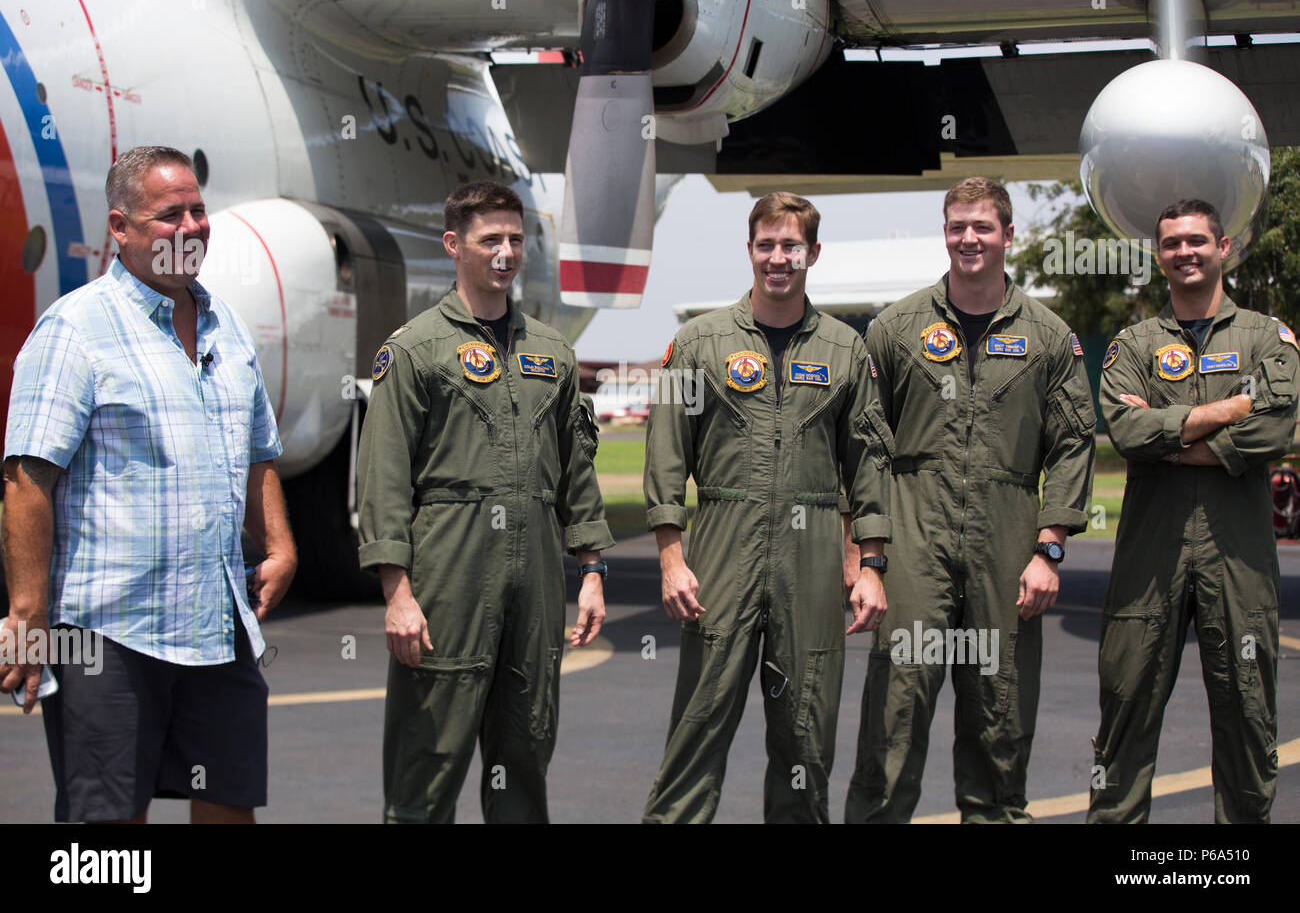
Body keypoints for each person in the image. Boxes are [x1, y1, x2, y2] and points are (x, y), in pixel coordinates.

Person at [0, 145, 294, 823]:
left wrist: (278, 544)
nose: (192, 226)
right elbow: (26, 478)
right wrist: (27, 613)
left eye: (198, 210)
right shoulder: (76, 329)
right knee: (108, 825)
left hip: (219, 626)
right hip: (110, 632)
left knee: (229, 805)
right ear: (121, 228)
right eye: (169, 215)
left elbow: (257, 452)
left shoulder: (229, 327)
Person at [356, 179, 613, 824]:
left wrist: (591, 572)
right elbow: (383, 479)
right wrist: (398, 593)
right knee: (429, 759)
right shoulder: (415, 349)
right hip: (448, 571)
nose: (505, 252)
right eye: (489, 239)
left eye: (515, 240)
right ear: (454, 245)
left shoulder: (551, 352)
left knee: (525, 753)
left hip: (537, 582)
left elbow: (576, 473)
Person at [844, 176, 1097, 823]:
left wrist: (1051, 547)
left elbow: (1073, 443)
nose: (969, 238)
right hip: (912, 538)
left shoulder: (1047, 338)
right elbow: (865, 442)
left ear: (1008, 235)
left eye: (982, 226)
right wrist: (864, 555)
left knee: (1000, 715)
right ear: (945, 232)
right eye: (957, 226)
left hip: (1008, 541)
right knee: (894, 713)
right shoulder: (898, 330)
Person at [641, 191, 892, 823]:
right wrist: (673, 559)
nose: (778, 258)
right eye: (766, 245)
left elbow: (866, 462)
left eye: (791, 246)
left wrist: (868, 564)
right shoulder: (698, 342)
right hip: (723, 538)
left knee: (806, 731)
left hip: (810, 556)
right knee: (699, 724)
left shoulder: (845, 349)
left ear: (812, 253)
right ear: (749, 250)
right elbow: (667, 455)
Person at [1087, 198, 1297, 823]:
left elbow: (1274, 431)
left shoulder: (1267, 336)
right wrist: (1230, 411)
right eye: (1172, 243)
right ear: (1159, 254)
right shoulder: (1134, 343)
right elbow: (1126, 432)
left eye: (1196, 241)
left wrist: (1170, 438)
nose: (1185, 252)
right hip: (1149, 559)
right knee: (1125, 711)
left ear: (1223, 246)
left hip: (1239, 559)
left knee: (1247, 716)